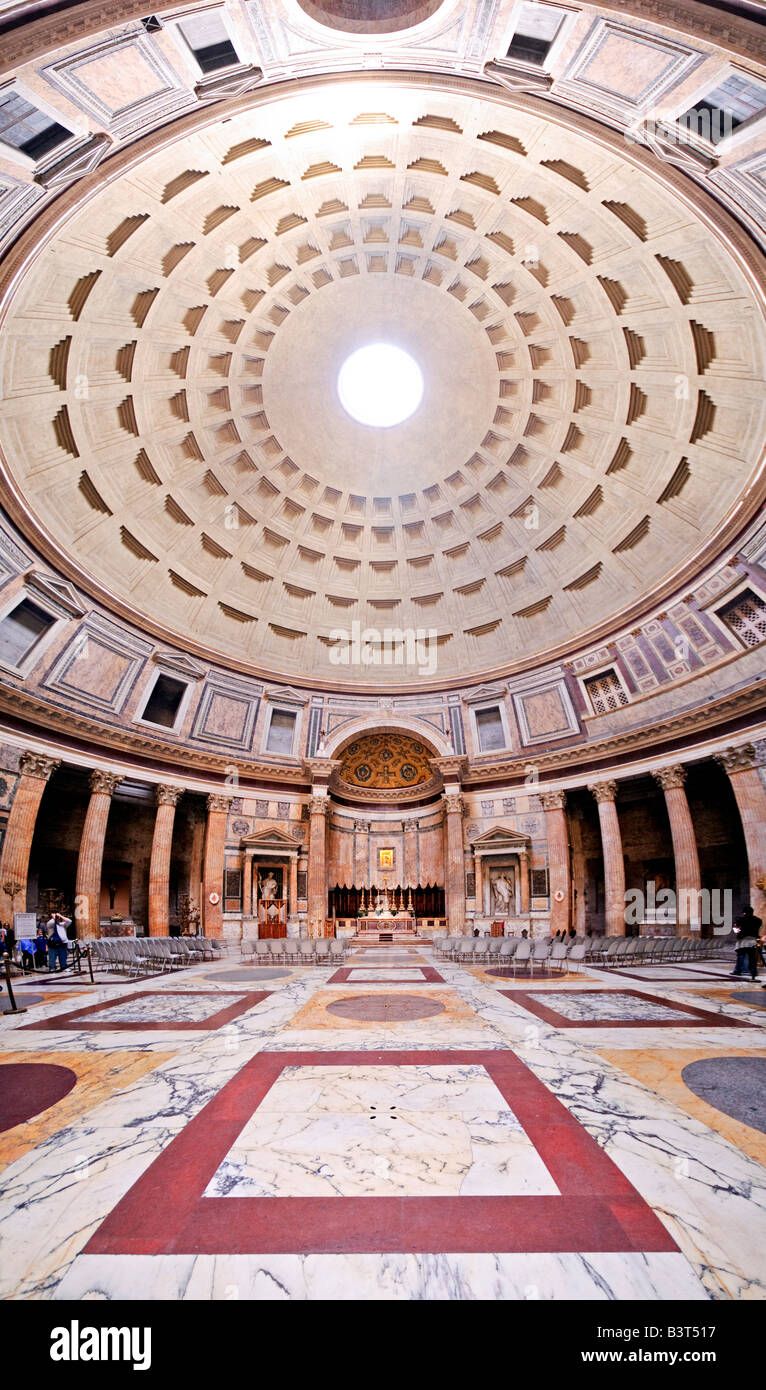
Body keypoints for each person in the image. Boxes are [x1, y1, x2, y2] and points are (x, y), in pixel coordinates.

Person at [730, 905, 762, 981]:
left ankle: (738, 971)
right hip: (753, 940)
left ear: (744, 913)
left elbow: (736, 928)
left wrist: (737, 930)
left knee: (741, 956)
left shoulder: (741, 920)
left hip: (743, 941)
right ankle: (753, 972)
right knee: (752, 958)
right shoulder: (758, 920)